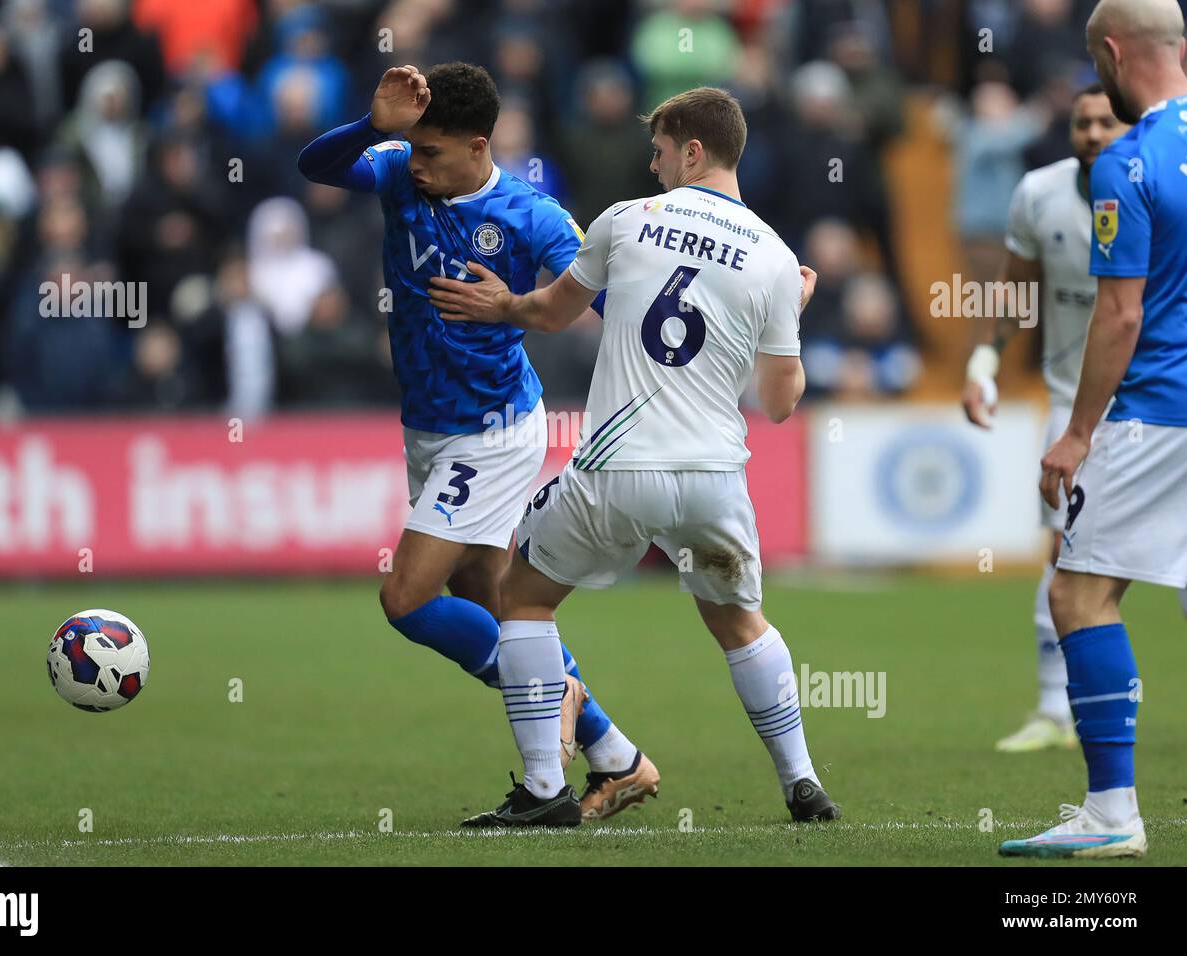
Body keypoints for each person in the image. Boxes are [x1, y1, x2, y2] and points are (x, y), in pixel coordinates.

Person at [430, 87, 838, 828]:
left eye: (658, 154)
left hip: (615, 470)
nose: (652, 170)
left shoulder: (626, 221)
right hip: (713, 480)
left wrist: (503, 306)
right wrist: (794, 316)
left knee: (521, 598)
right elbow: (780, 403)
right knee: (742, 624)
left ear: (692, 151)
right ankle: (802, 783)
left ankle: (546, 786)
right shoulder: (777, 258)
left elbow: (554, 312)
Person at [297, 63, 658, 819]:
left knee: (406, 598)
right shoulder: (398, 170)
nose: (414, 163)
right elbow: (315, 166)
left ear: (475, 144)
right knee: (497, 607)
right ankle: (619, 759)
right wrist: (374, 125)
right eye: (409, 149)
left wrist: (512, 306)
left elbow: (595, 306)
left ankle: (556, 704)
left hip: (491, 431)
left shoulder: (533, 216)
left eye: (429, 152)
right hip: (429, 426)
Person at [1000, 0, 1187, 860]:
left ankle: (1111, 812)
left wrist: (1076, 434)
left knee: (1078, 592)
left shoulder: (1131, 161)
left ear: (1112, 53)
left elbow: (1119, 316)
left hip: (1158, 411)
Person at [961, 84, 1131, 753]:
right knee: (1063, 555)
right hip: (1071, 406)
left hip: (1161, 407)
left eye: (1106, 122)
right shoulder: (1038, 193)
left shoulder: (1167, 189)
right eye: (1081, 122)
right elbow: (1015, 288)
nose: (1091, 133)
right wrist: (983, 361)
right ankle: (1052, 711)